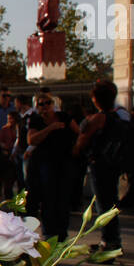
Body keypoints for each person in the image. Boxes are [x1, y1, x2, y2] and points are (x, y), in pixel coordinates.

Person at [74, 79, 129, 253]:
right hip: (112, 164)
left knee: (104, 204)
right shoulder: (118, 116)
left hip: (100, 164)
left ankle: (109, 241)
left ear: (96, 99)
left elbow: (83, 140)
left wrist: (75, 150)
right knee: (109, 202)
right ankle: (111, 239)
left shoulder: (98, 118)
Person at [25, 93, 79, 240]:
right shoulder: (35, 120)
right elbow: (32, 140)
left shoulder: (63, 116)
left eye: (48, 103)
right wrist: (51, 128)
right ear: (37, 107)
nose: (45, 106)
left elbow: (78, 132)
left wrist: (76, 148)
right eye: (41, 104)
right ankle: (49, 233)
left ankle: (62, 234)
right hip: (44, 164)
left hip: (63, 163)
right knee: (47, 199)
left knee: (62, 200)